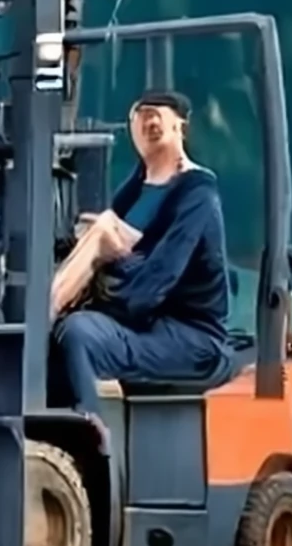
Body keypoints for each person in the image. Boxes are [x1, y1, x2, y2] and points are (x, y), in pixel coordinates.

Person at [48, 88, 235, 415]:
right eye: (141, 116)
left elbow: (154, 283)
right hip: (147, 320)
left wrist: (107, 269)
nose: (149, 123)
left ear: (180, 126)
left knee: (79, 333)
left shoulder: (197, 195)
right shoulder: (136, 188)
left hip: (189, 335)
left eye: (157, 116)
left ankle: (91, 427)